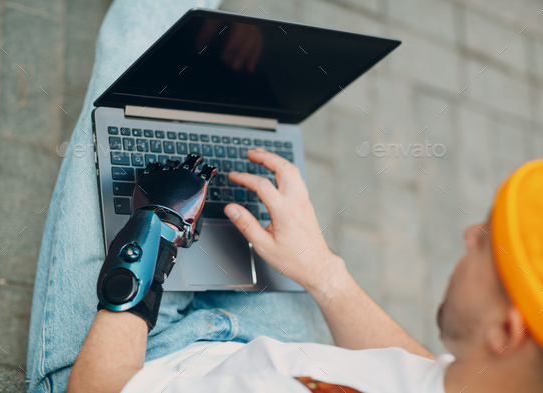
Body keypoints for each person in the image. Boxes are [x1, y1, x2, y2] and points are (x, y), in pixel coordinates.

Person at [27, 1, 543, 392]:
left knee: (133, 76)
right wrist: (323, 272)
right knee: (223, 101)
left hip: (127, 356)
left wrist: (154, 230)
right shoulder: (493, 377)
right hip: (274, 349)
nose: (469, 233)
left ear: (507, 330)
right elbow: (424, 378)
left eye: (488, 240)